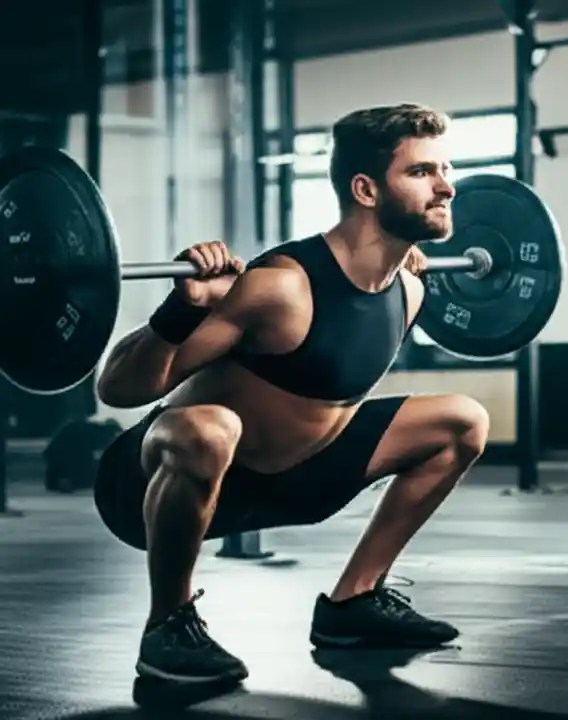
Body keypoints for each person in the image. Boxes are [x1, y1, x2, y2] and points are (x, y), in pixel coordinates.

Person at [93, 103, 490, 684]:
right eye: (421, 173)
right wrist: (182, 307)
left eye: (444, 170)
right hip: (160, 485)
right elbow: (120, 386)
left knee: (463, 421)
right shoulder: (281, 287)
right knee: (208, 428)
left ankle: (352, 604)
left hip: (299, 483)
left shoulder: (409, 287)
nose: (446, 187)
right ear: (366, 189)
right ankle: (167, 626)